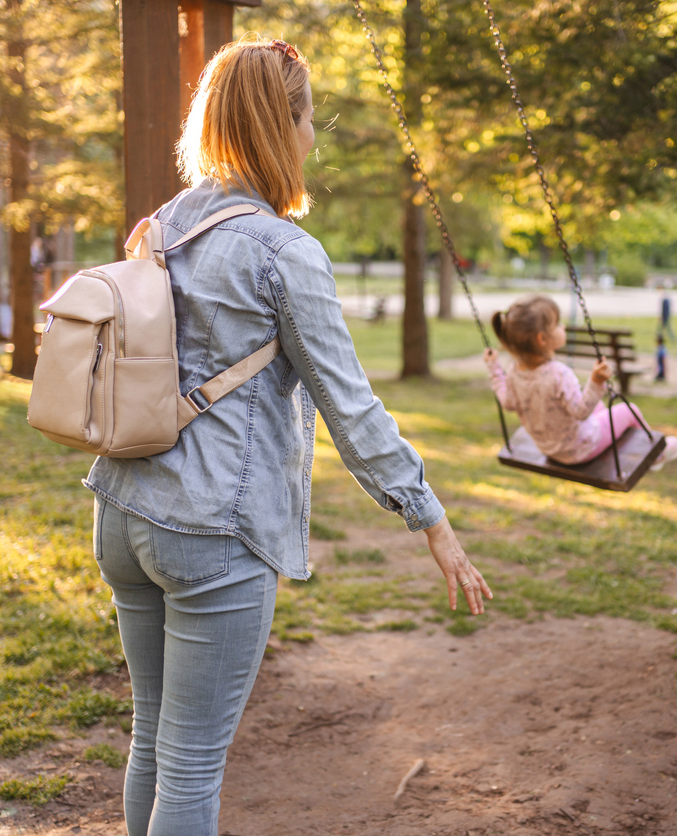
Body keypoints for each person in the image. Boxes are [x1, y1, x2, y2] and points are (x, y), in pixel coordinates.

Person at [84, 37, 492, 836]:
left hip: (123, 507)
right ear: (282, 126)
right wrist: (431, 519)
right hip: (213, 528)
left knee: (154, 742)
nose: (312, 137)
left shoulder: (162, 224)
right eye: (308, 121)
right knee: (191, 765)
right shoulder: (284, 251)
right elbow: (351, 405)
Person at [483, 294, 677, 468]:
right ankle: (656, 454)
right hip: (580, 449)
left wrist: (494, 368)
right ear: (542, 339)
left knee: (600, 407)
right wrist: (596, 381)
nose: (563, 326)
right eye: (557, 324)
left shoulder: (514, 372)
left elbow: (507, 402)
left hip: (549, 448)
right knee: (630, 411)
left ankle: (627, 441)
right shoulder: (558, 373)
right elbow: (580, 412)